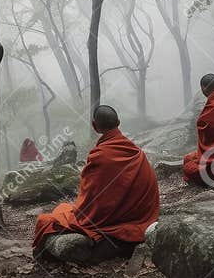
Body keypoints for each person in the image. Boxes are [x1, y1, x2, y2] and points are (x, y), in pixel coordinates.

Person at [32, 105, 160, 258]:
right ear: (118, 122)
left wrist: (81, 213)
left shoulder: (99, 156)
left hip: (109, 220)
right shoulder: (137, 153)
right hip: (142, 217)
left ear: (95, 126)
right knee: (63, 209)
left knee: (50, 217)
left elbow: (90, 199)